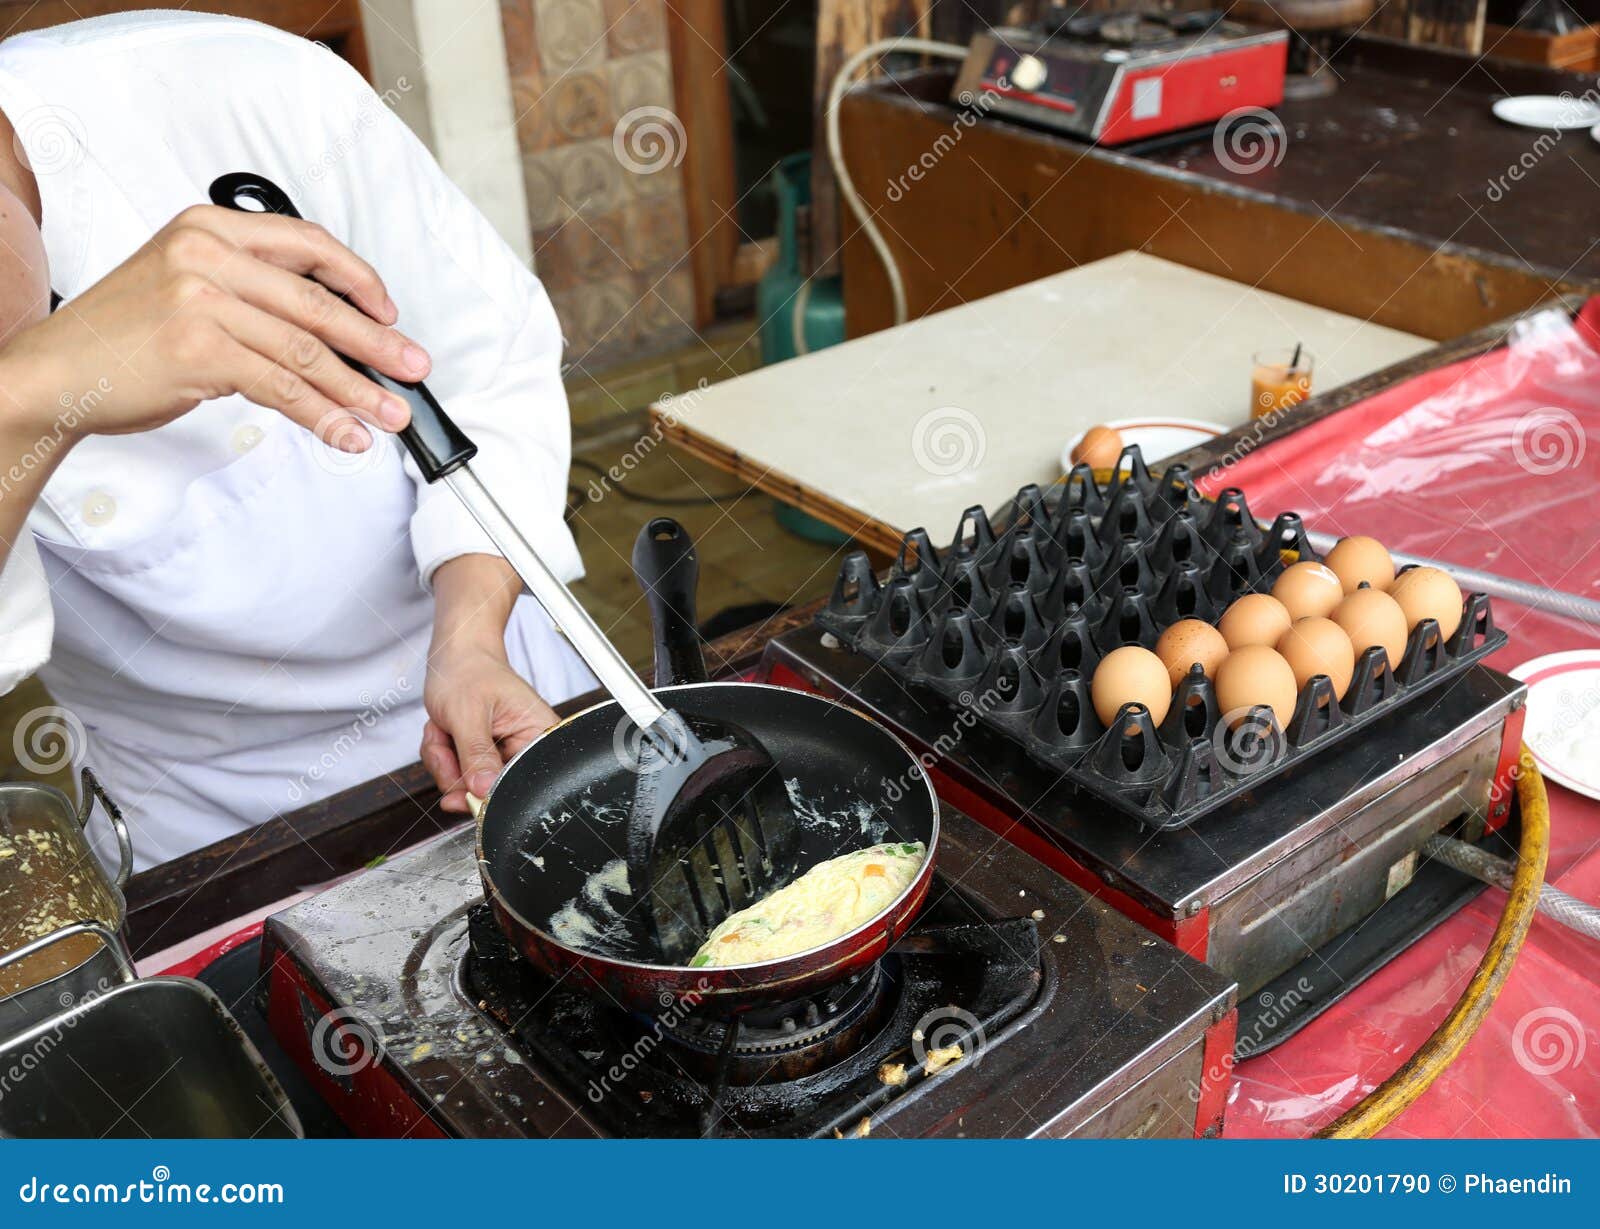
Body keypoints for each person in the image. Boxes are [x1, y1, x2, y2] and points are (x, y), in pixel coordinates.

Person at [0, 11, 595, 869]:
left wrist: (469, 637)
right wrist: (29, 394)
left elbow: (489, 371)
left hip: (488, 671)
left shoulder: (240, 86)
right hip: (205, 807)